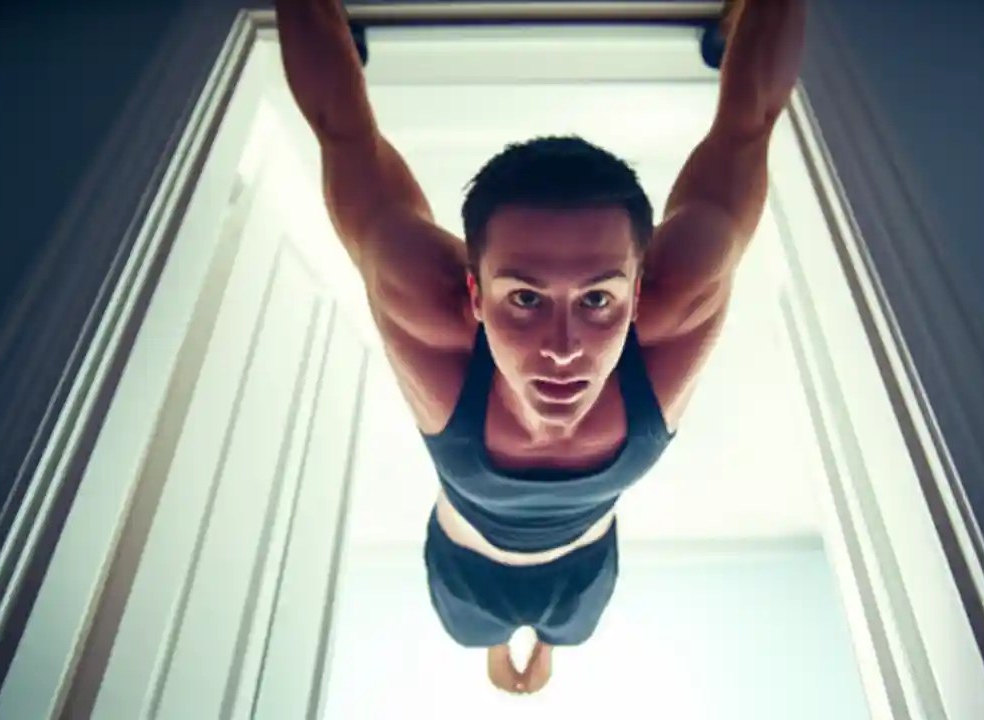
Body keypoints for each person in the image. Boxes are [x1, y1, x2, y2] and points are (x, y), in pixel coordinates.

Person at [276, 0, 805, 696]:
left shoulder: (679, 303)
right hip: (488, 565)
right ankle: (526, 641)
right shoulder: (426, 314)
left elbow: (752, 124)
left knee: (555, 635)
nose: (563, 349)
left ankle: (542, 642)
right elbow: (340, 131)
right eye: (525, 298)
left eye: (597, 299)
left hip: (574, 563)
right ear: (474, 297)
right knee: (491, 636)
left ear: (639, 295)